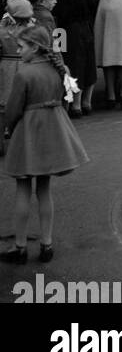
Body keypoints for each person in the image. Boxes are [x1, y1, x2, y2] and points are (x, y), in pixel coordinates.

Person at [1, 23, 88, 265]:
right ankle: (46, 244)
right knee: (44, 189)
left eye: (21, 46)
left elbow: (13, 110)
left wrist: (8, 128)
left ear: (35, 47)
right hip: (53, 131)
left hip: (28, 133)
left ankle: (19, 247)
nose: (18, 51)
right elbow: (68, 99)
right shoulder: (60, 69)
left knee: (22, 188)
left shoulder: (24, 74)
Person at [52, 0, 100, 118]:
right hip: (88, 27)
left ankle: (75, 104)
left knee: (73, 64)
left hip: (67, 30)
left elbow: (59, 13)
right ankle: (87, 102)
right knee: (89, 63)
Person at [0, 0, 34, 153]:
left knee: (3, 106)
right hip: (27, 66)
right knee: (24, 105)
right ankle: (22, 141)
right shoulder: (32, 29)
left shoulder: (3, 29)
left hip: (6, 67)